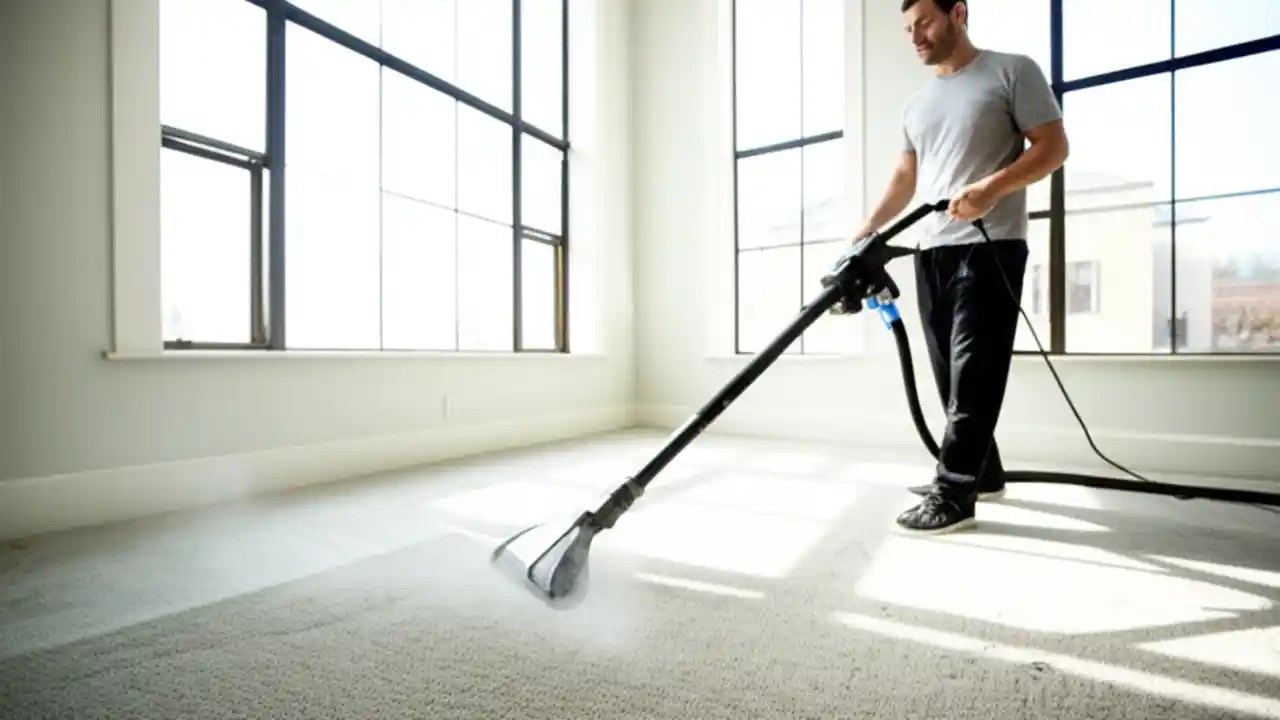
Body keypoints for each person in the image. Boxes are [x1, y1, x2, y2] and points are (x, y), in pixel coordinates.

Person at [853, 0, 1069, 534]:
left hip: (990, 243)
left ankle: (953, 493)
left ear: (958, 12)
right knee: (950, 377)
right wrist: (866, 231)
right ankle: (984, 472)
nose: (915, 37)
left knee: (975, 371)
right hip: (931, 251)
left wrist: (991, 188)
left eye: (924, 22)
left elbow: (1053, 146)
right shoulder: (916, 105)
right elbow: (905, 179)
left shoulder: (1011, 70)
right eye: (907, 29)